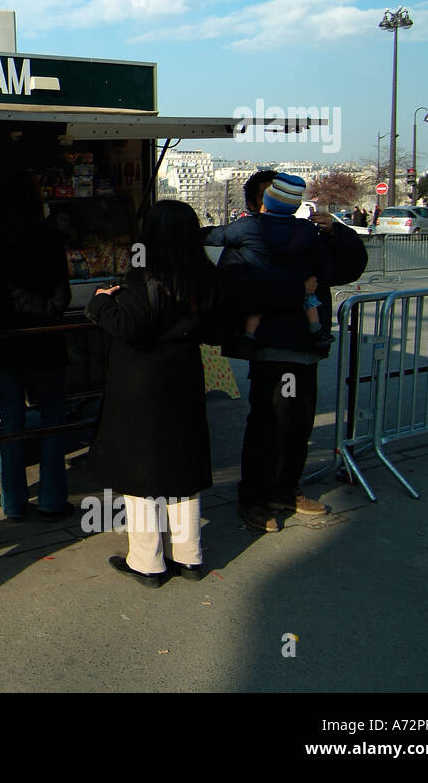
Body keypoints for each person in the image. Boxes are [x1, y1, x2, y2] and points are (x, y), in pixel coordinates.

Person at [216, 171, 367, 533]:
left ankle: (286, 490)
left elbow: (345, 268)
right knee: (268, 424)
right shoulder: (244, 242)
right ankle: (254, 499)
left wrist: (336, 230)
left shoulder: (306, 237)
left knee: (298, 422)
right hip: (269, 347)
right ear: (255, 205)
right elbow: (241, 293)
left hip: (303, 347)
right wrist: (297, 291)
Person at [84, 200, 223, 586]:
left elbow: (129, 326)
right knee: (184, 465)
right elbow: (214, 329)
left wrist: (99, 302)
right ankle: (190, 555)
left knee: (141, 472)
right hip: (185, 378)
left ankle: (147, 562)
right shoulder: (205, 274)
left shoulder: (144, 274)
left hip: (142, 383)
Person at [0, 169, 74, 522]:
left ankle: (13, 503)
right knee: (54, 416)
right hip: (43, 338)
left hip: (0, 338)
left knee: (11, 418)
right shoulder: (49, 236)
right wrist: (48, 310)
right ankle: (53, 498)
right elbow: (62, 294)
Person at [202, 174, 333, 357]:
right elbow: (326, 267)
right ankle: (317, 332)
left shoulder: (249, 227)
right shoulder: (306, 229)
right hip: (300, 331)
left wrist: (188, 231)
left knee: (256, 310)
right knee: (310, 302)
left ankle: (249, 336)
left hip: (263, 294)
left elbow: (217, 236)